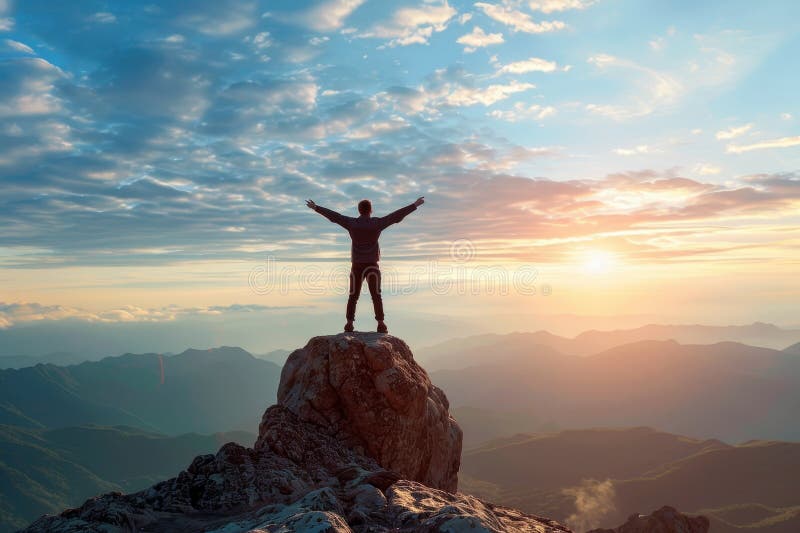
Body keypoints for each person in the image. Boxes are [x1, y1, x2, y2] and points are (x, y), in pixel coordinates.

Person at [306, 196, 425, 333]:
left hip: (357, 265)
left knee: (353, 296)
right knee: (376, 295)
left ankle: (349, 324)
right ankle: (381, 324)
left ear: (359, 210)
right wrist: (414, 205)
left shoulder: (352, 223)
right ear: (371, 210)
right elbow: (395, 216)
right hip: (372, 265)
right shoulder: (376, 223)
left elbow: (335, 217)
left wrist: (316, 208)